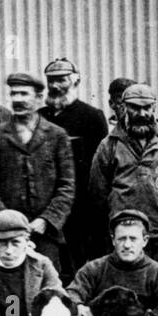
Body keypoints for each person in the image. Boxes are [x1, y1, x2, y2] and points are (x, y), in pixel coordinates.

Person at [89, 83, 158, 270]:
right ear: (124, 107)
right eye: (135, 108)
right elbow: (98, 192)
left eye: (147, 108)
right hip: (128, 232)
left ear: (154, 107)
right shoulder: (109, 145)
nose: (142, 113)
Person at [0, 72, 75, 271]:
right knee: (11, 288)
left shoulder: (57, 136)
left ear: (39, 98)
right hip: (7, 234)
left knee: (47, 288)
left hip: (45, 234)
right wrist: (6, 220)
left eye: (24, 94)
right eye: (14, 94)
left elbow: (67, 186)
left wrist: (45, 220)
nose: (17, 99)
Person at [40, 57, 109, 266]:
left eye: (61, 80)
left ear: (75, 81)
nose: (54, 86)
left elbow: (101, 168)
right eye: (51, 80)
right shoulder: (39, 117)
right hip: (47, 209)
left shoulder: (92, 117)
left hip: (81, 210)